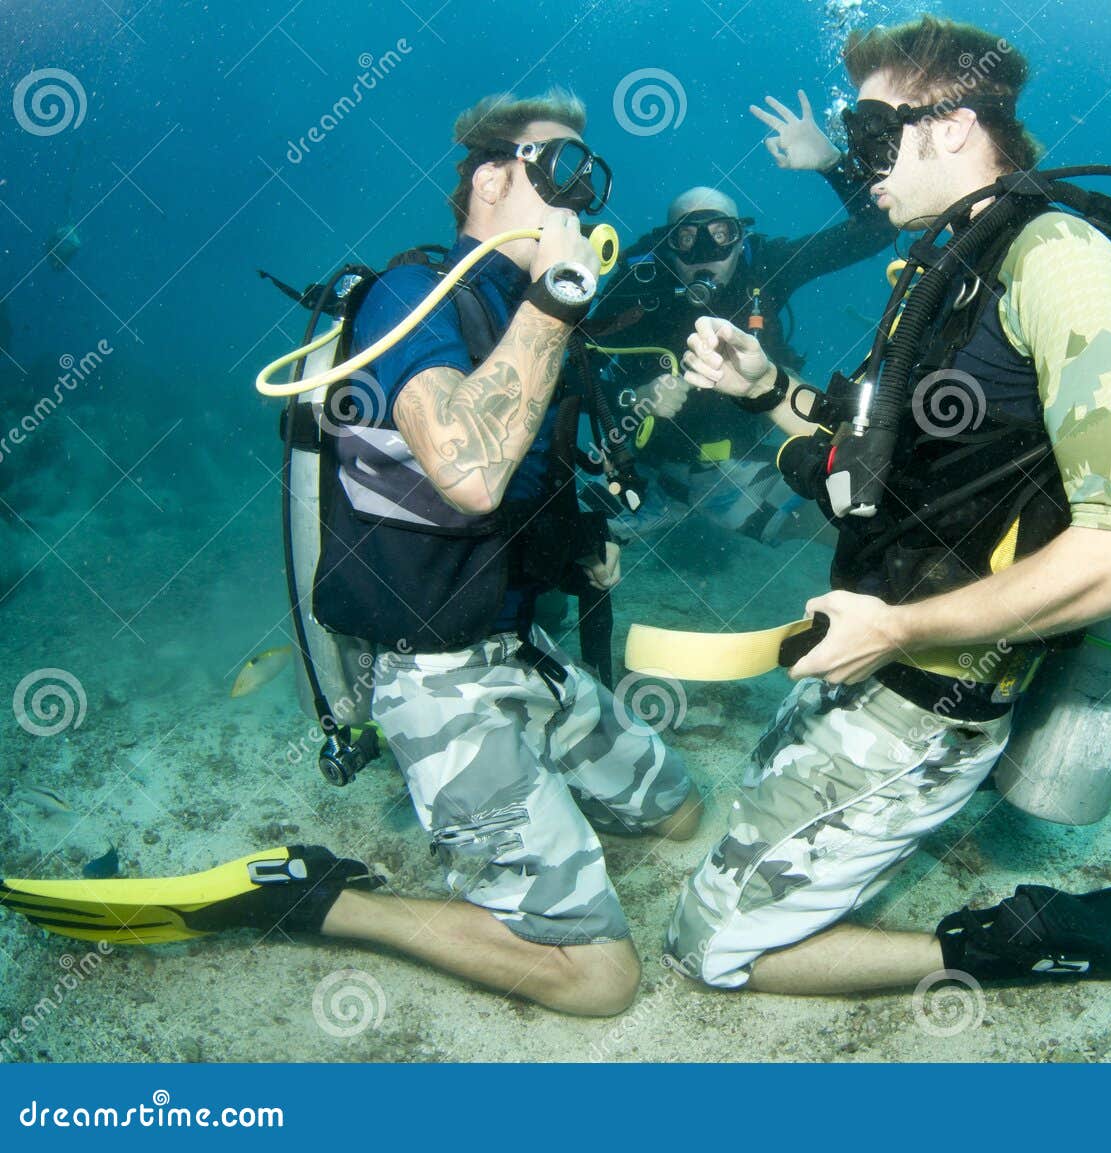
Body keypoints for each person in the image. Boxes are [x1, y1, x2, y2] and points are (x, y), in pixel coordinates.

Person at [1, 92, 701, 1017]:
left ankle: (530, 789)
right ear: (492, 177)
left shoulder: (526, 313)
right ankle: (324, 899)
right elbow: (471, 473)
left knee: (683, 812)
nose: (583, 204)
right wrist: (561, 295)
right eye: (562, 174)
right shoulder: (411, 298)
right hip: (435, 676)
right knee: (600, 979)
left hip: (521, 655)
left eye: (593, 182)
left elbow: (535, 493)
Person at [663, 17, 1111, 995]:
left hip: (929, 694)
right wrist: (766, 387)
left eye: (867, 139)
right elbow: (875, 464)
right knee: (750, 833)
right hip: (877, 652)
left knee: (708, 949)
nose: (860, 168)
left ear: (950, 126)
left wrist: (893, 629)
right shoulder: (953, 264)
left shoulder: (1058, 262)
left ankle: (1023, 940)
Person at [584, 91, 894, 545]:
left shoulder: (767, 265)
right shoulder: (641, 280)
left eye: (721, 236)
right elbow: (574, 362)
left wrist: (832, 164)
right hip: (649, 472)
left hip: (742, 468)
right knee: (557, 542)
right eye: (688, 239)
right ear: (668, 242)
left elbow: (876, 230)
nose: (705, 255)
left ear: (740, 238)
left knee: (858, 524)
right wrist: (633, 396)